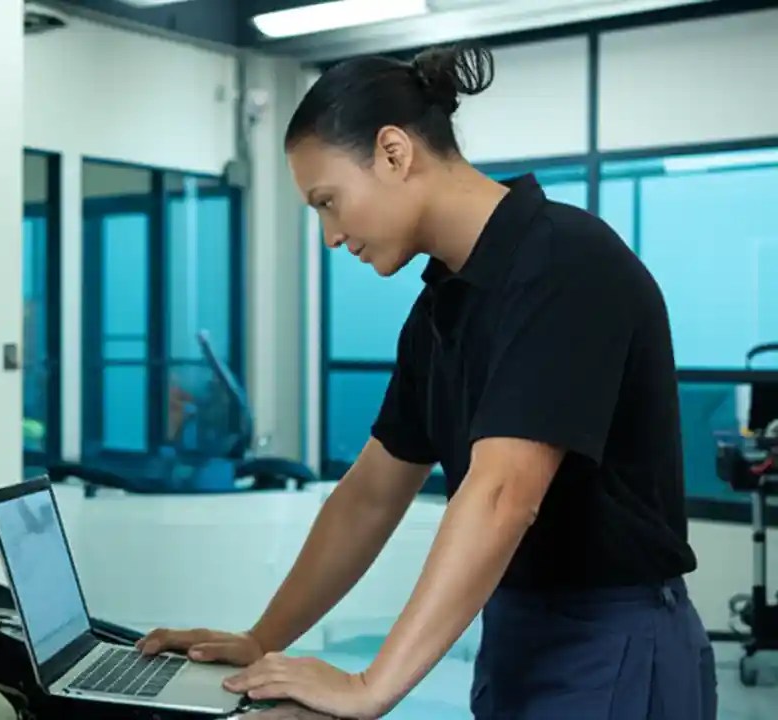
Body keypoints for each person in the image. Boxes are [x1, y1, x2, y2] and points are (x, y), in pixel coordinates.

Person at [137, 42, 717, 719]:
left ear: (393, 153)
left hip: (614, 641)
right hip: (518, 629)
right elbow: (369, 496)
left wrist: (369, 687)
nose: (329, 236)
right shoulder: (443, 309)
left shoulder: (564, 264)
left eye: (328, 202)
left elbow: (502, 494)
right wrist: (262, 639)